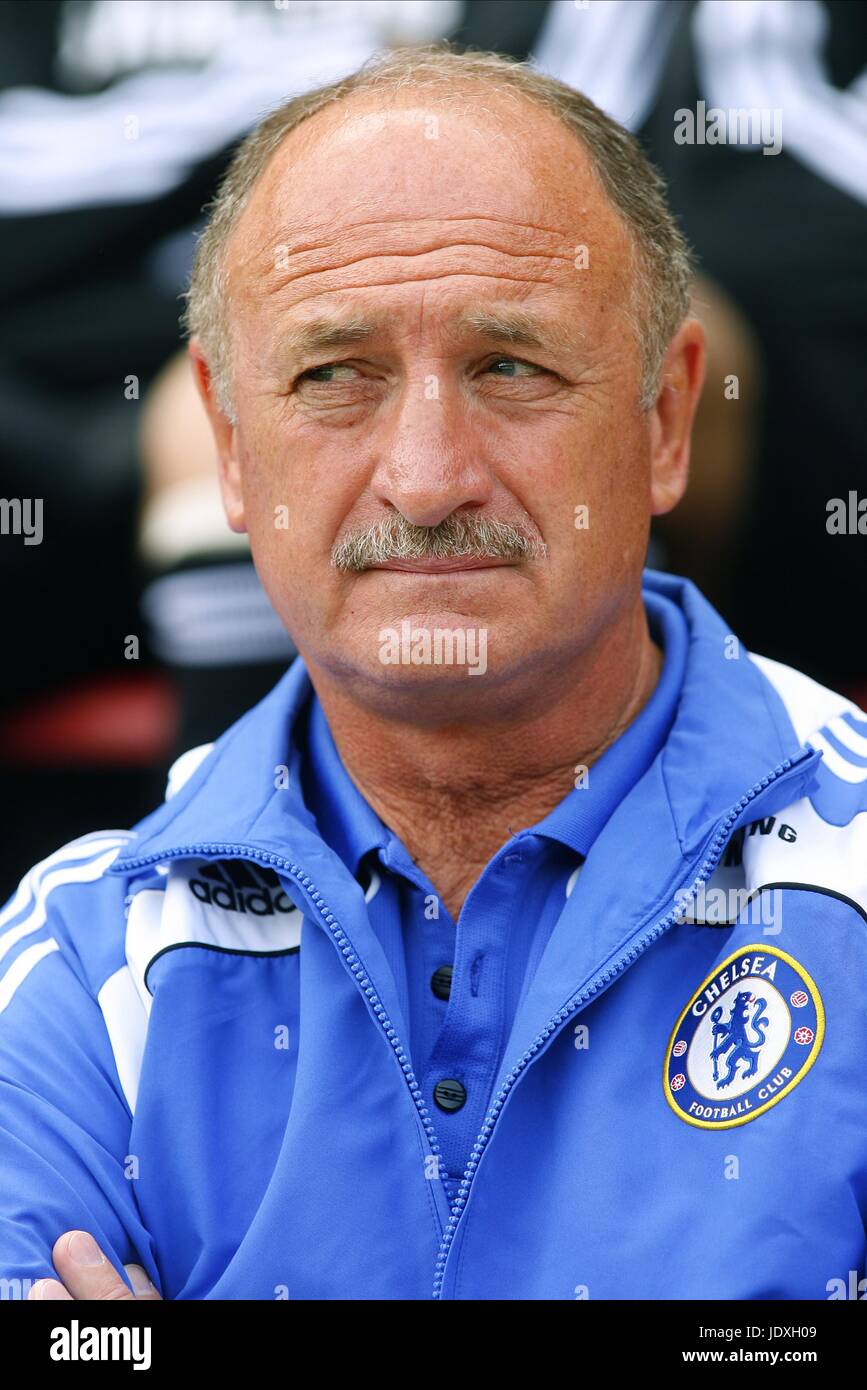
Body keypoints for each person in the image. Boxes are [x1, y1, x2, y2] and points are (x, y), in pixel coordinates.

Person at [3, 44, 866, 1303]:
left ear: (665, 418)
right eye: (333, 376)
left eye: (511, 367)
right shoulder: (73, 967)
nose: (424, 476)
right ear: (232, 445)